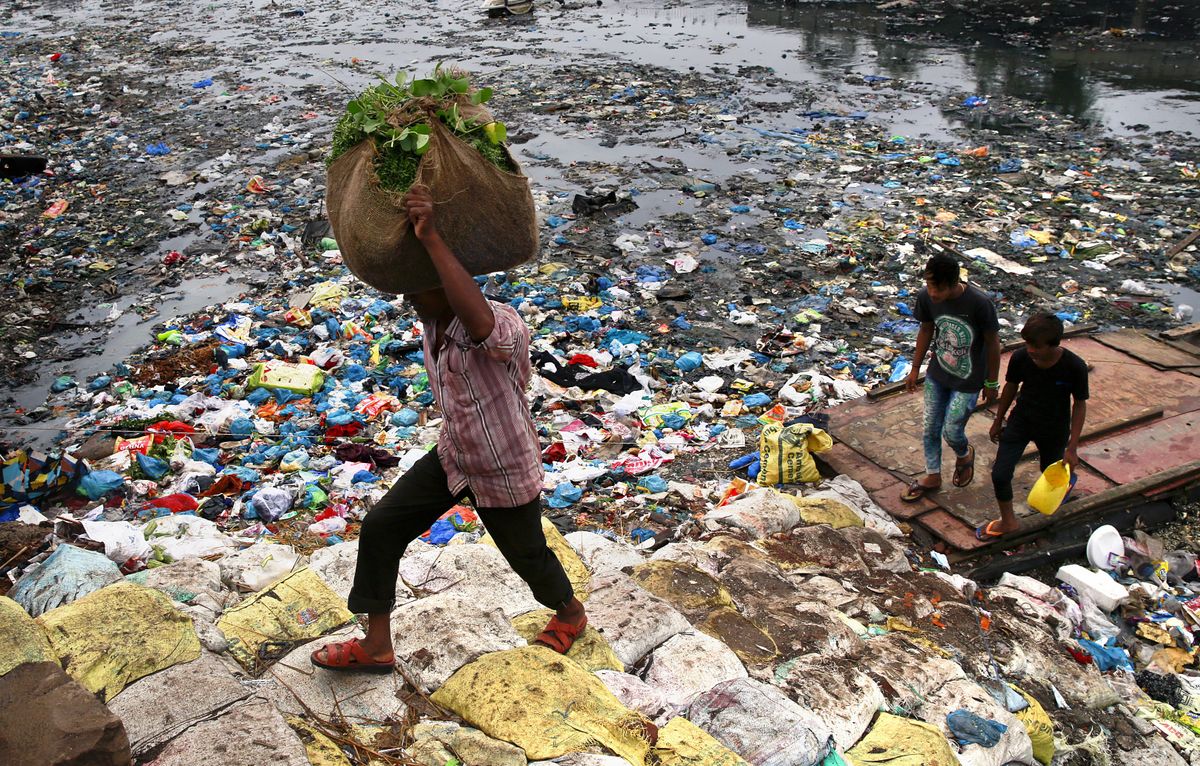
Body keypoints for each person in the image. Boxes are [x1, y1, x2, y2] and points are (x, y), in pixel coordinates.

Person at [311, 185, 587, 672]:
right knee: (380, 528)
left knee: (527, 556)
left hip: (503, 466)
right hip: (454, 456)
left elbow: (479, 321)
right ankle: (376, 645)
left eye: (420, 288)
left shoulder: (501, 323)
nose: (410, 300)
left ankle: (570, 612)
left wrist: (435, 239)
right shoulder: (434, 325)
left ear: (448, 280)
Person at [978, 312, 1088, 540]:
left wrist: (1072, 447)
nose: (1030, 349)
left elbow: (1079, 405)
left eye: (1035, 346)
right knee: (1000, 474)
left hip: (1054, 428)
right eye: (1027, 343)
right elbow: (1010, 387)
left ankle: (1067, 480)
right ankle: (1008, 521)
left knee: (1050, 475)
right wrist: (998, 421)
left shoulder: (1074, 366)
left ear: (1053, 344)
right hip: (1021, 421)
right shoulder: (1021, 358)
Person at [902, 253, 1001, 502]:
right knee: (930, 428)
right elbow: (926, 329)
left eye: (939, 287)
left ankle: (964, 455)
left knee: (952, 430)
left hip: (968, 380)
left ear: (954, 282)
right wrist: (915, 368)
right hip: (938, 373)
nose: (933, 293)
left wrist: (991, 381)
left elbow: (993, 343)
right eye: (930, 284)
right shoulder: (926, 297)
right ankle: (933, 475)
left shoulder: (979, 303)